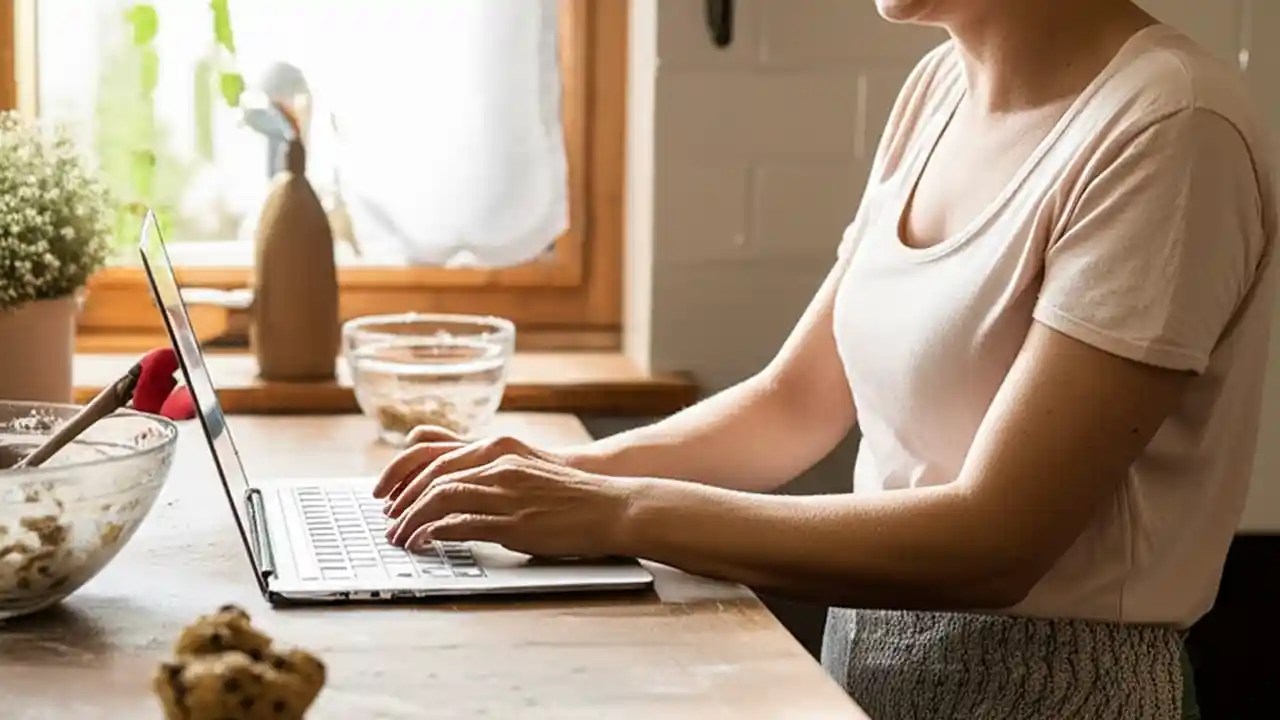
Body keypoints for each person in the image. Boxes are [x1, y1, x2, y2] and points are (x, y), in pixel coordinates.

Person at [373, 0, 1277, 716]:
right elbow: (795, 402)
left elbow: (997, 543)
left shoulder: (1172, 130)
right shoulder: (938, 90)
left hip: (1062, 696)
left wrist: (620, 510)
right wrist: (553, 476)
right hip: (858, 677)